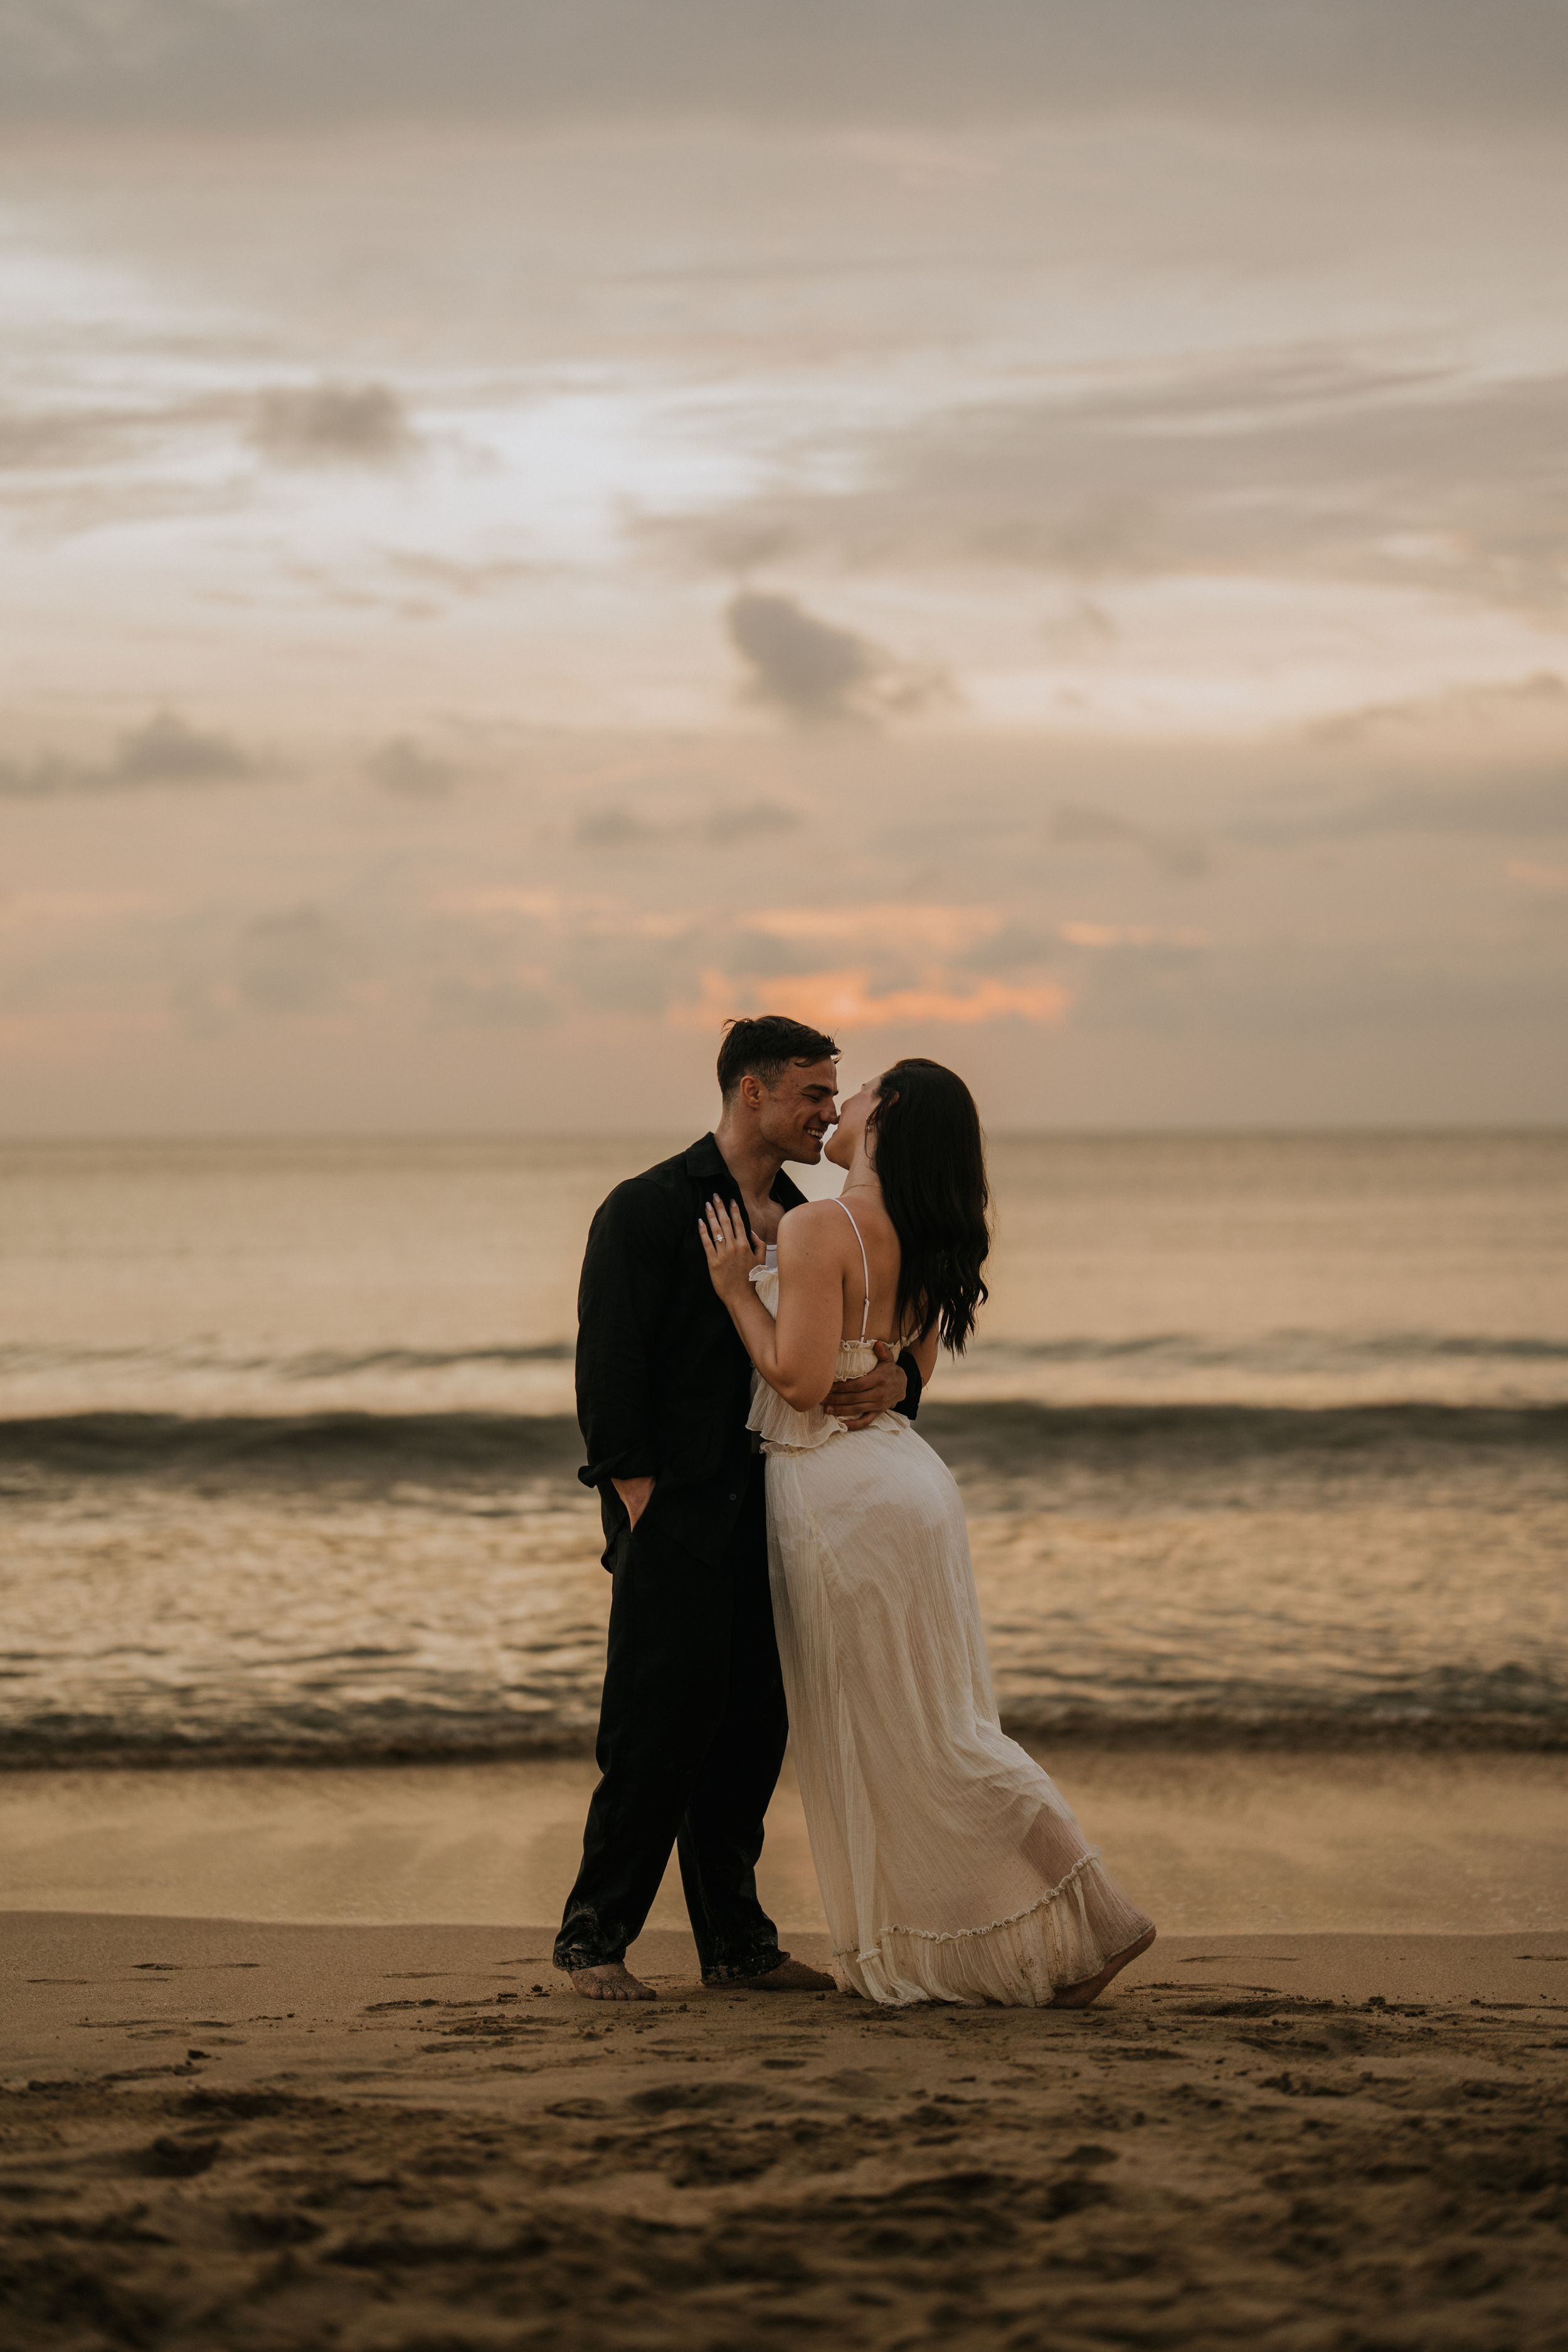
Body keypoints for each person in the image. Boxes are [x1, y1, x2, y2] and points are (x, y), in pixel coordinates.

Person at [699, 1056, 1155, 2007]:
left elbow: (800, 1381)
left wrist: (739, 1288)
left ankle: (1100, 1911)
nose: (845, 1104)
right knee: (940, 1721)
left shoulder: (827, 1224)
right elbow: (910, 1370)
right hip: (904, 1477)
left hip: (838, 1490)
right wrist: (899, 1376)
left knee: (919, 1734)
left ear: (889, 1112)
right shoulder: (922, 1233)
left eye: (858, 1091)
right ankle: (1074, 1916)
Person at [554, 1015, 927, 2001]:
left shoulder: (813, 1217)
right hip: (674, 1515)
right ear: (750, 1092)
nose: (829, 1112)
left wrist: (898, 1389)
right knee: (652, 1729)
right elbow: (608, 1369)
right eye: (812, 1091)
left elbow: (874, 1344)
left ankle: (738, 1948)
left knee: (753, 1733)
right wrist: (637, 1494)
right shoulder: (647, 1208)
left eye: (835, 1093)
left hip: (787, 1514)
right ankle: (594, 1941)